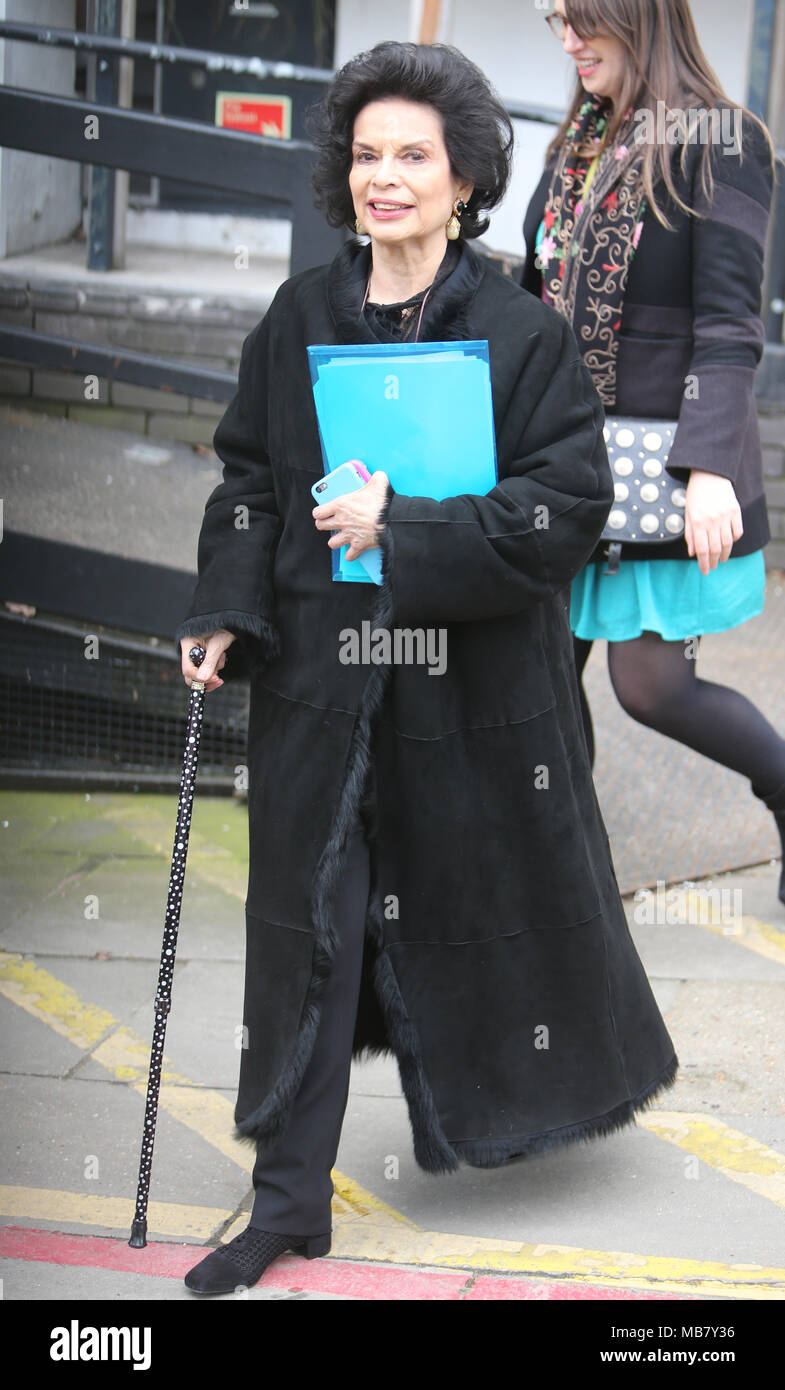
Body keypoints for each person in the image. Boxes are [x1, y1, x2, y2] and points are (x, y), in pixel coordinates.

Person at [175, 39, 678, 1297]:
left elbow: (562, 510)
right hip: (319, 681)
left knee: (478, 920)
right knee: (314, 933)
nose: (383, 179)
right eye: (365, 156)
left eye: (412, 158)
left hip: (472, 702)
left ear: (462, 184)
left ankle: (511, 1101)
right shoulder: (297, 316)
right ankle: (287, 1202)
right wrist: (224, 607)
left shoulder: (521, 333)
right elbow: (247, 477)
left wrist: (406, 528)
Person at [521, 0, 785, 905]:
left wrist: (708, 469)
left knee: (649, 686)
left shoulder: (723, 140)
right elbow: (533, 290)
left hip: (657, 475)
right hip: (556, 463)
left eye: (580, 19)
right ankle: (569, 879)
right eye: (551, 18)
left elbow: (727, 324)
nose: (565, 40)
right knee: (540, 680)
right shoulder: (578, 144)